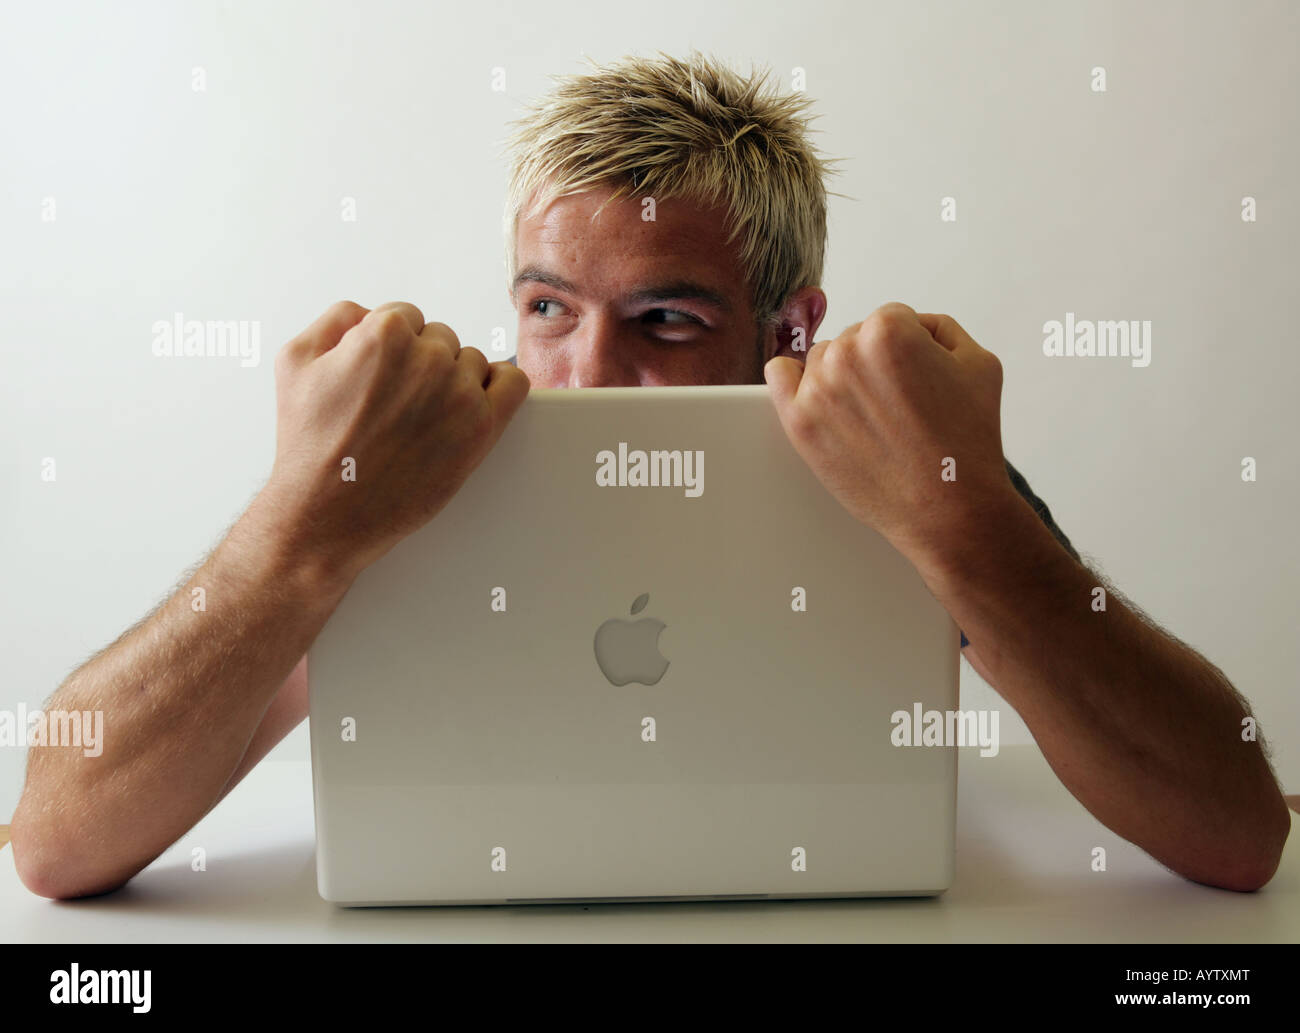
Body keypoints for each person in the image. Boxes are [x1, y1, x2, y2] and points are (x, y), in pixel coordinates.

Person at [11, 50, 1289, 900]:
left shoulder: (883, 465)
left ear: (789, 330)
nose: (581, 375)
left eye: (664, 323)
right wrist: (295, 530)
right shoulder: (425, 472)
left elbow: (1235, 834)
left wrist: (969, 531)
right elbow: (59, 843)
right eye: (548, 309)